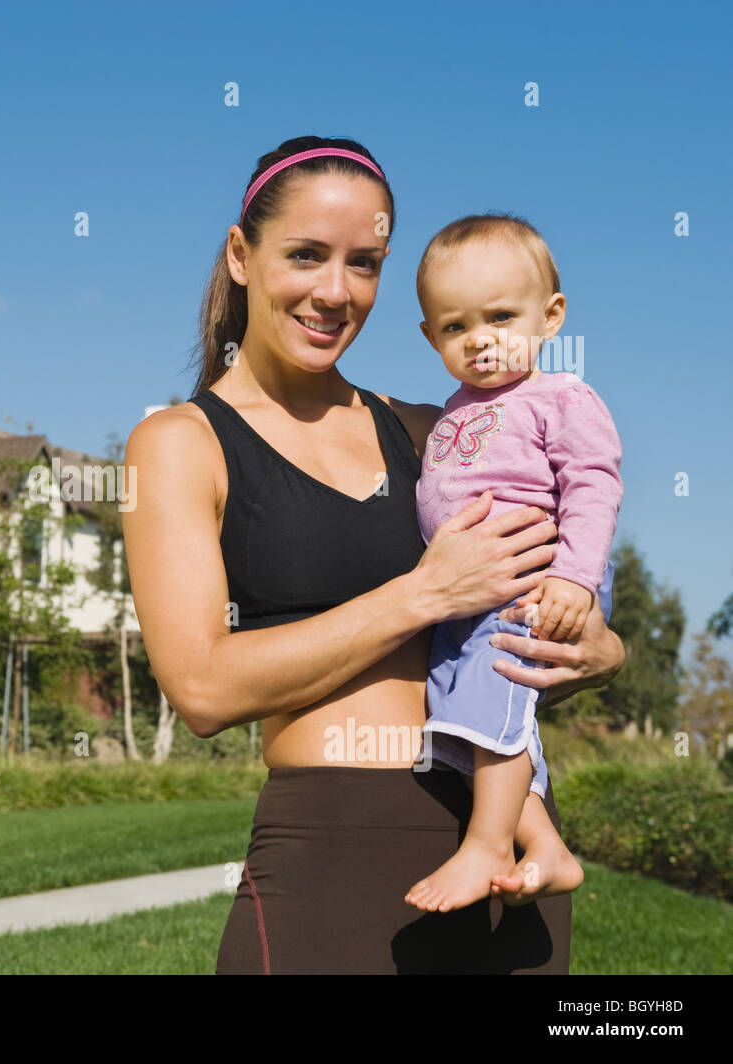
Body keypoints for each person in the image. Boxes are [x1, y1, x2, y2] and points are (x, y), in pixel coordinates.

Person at [119, 135, 626, 974]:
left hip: (504, 846)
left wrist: (602, 649)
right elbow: (202, 688)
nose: (335, 291)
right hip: (333, 853)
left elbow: (558, 579)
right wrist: (419, 595)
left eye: (365, 263)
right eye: (307, 256)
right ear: (241, 256)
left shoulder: (437, 432)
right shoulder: (181, 443)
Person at [403, 213, 623, 915]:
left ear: (550, 316)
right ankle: (546, 846)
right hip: (472, 598)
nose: (481, 340)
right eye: (456, 327)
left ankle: (488, 844)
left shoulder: (560, 397)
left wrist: (574, 581)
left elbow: (593, 485)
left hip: (540, 584)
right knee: (457, 714)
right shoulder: (452, 411)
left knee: (492, 692)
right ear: (431, 336)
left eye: (501, 316)